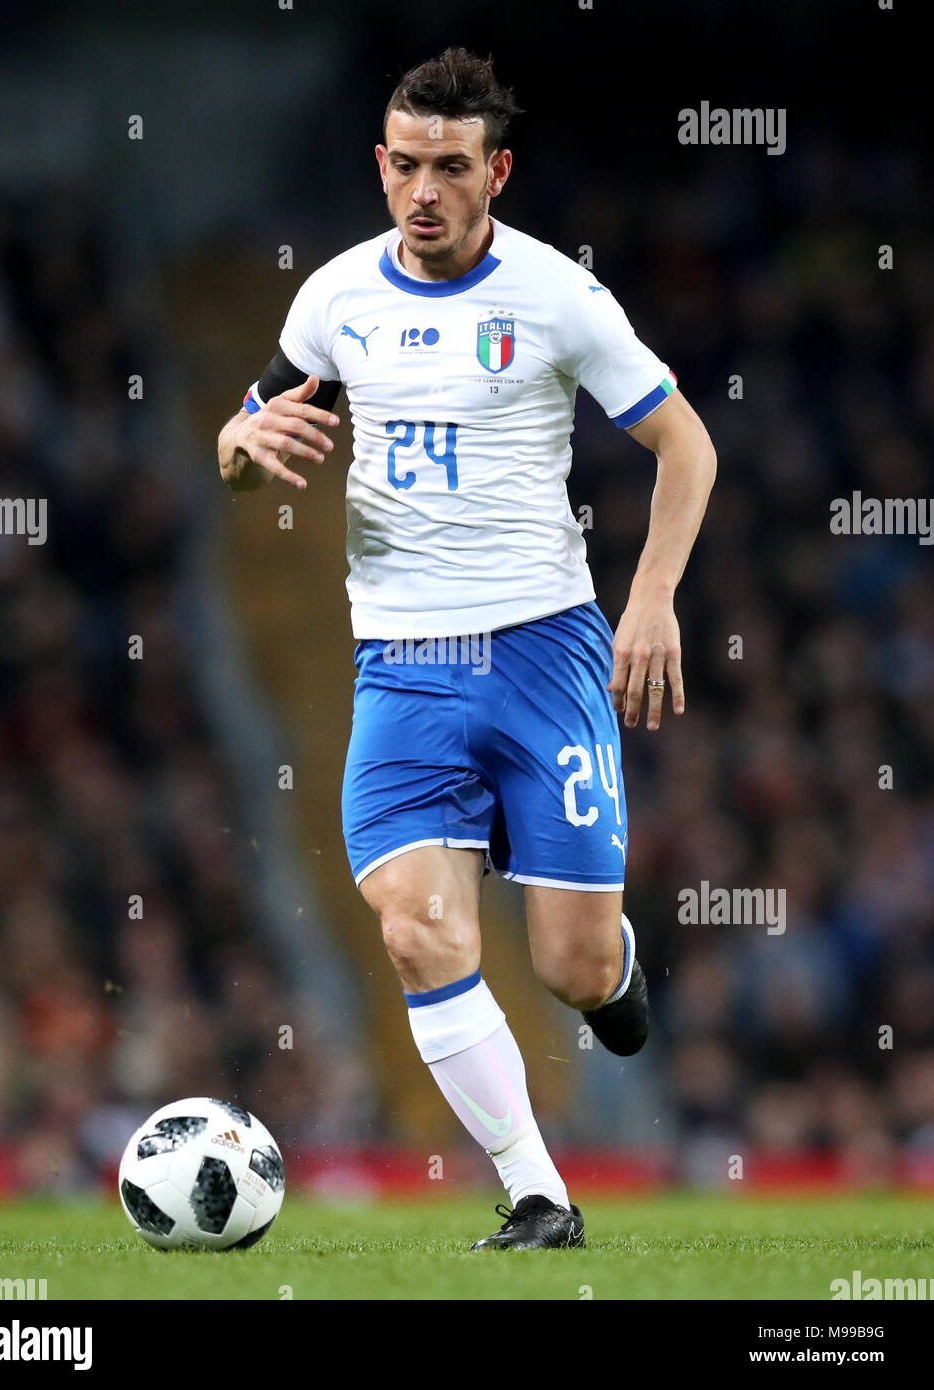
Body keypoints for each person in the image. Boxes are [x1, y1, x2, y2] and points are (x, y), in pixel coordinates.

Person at [217, 47, 716, 1249]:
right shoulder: (333, 298)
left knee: (572, 966)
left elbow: (687, 446)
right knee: (414, 927)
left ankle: (615, 966)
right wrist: (244, 447)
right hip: (399, 667)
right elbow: (248, 424)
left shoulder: (558, 299)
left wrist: (650, 598)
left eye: (452, 167)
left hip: (545, 653)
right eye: (405, 165)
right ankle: (538, 1190)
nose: (424, 189)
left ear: (496, 170)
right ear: (380, 167)